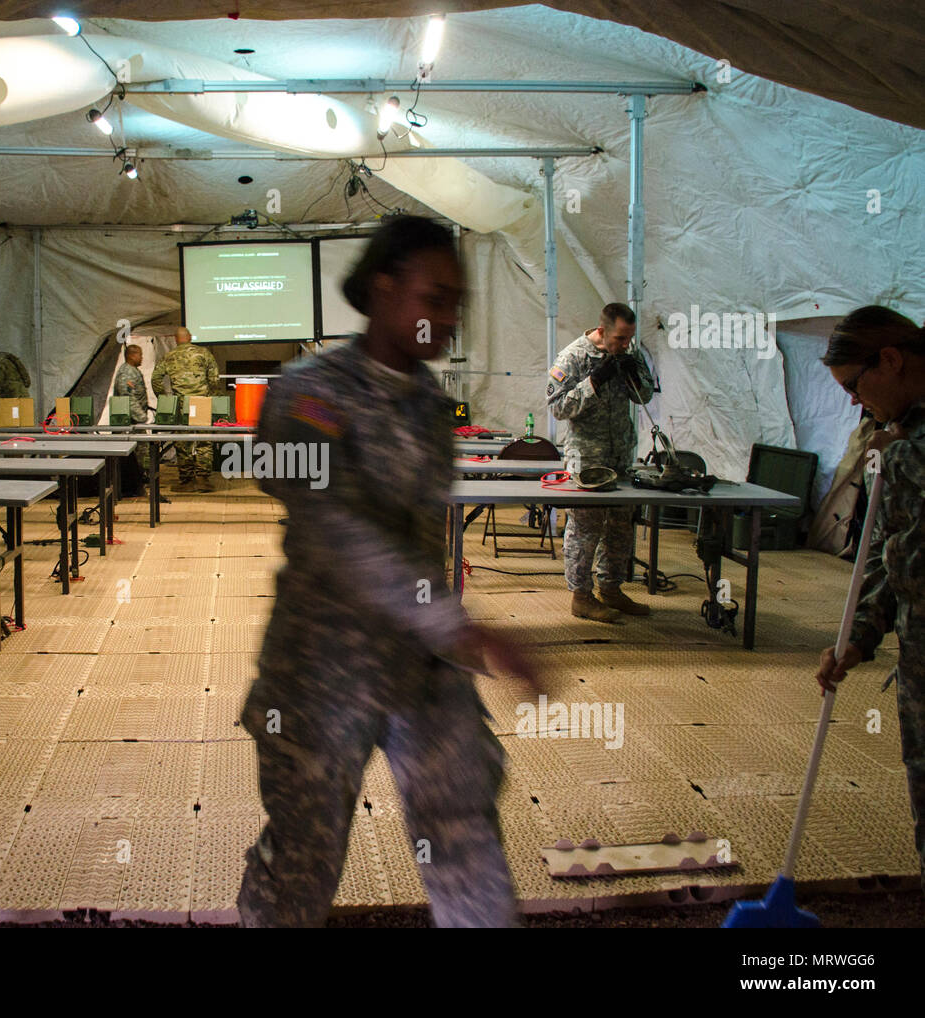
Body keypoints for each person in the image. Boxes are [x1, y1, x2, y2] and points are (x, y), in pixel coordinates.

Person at [238, 216, 538, 928]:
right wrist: (456, 620)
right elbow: (331, 527)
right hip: (320, 675)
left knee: (465, 843)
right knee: (302, 871)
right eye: (434, 297)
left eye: (457, 303)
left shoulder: (434, 406)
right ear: (382, 288)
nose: (449, 318)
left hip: (425, 672)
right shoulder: (305, 396)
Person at [815, 306, 925, 890]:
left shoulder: (907, 444)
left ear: (890, 359)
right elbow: (888, 552)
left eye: (855, 386)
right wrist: (858, 638)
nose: (856, 403)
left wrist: (900, 456)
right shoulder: (901, 431)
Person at [546, 303, 656, 622]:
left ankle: (611, 589)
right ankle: (581, 597)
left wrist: (634, 374)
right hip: (587, 461)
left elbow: (645, 396)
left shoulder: (629, 354)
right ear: (602, 330)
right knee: (585, 529)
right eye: (620, 338)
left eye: (629, 339)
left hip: (620, 455)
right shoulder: (574, 357)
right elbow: (557, 407)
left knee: (621, 527)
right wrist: (592, 383)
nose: (625, 344)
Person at [151, 326, 219, 492]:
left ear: (175, 339)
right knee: (204, 441)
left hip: (181, 404)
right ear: (189, 337)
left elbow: (156, 379)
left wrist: (165, 398)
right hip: (201, 402)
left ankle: (187, 481)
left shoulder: (169, 356)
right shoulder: (204, 353)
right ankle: (203, 479)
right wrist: (207, 394)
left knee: (183, 442)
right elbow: (214, 378)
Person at [115, 343, 151, 471]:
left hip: (133, 422)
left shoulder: (132, 371)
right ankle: (139, 480)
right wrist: (141, 417)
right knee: (138, 454)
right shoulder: (127, 372)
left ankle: (140, 478)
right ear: (131, 356)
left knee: (140, 453)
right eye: (140, 355)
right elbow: (128, 397)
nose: (142, 358)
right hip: (130, 423)